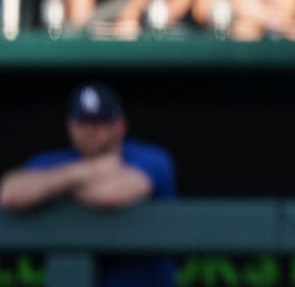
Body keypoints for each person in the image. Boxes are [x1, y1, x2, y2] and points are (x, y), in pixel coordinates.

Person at [0, 84, 176, 287]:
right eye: (82, 123)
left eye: (98, 123)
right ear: (69, 125)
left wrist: (52, 187)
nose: (89, 131)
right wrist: (81, 173)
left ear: (119, 125)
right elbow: (10, 193)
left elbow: (110, 195)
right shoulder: (57, 161)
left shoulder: (150, 157)